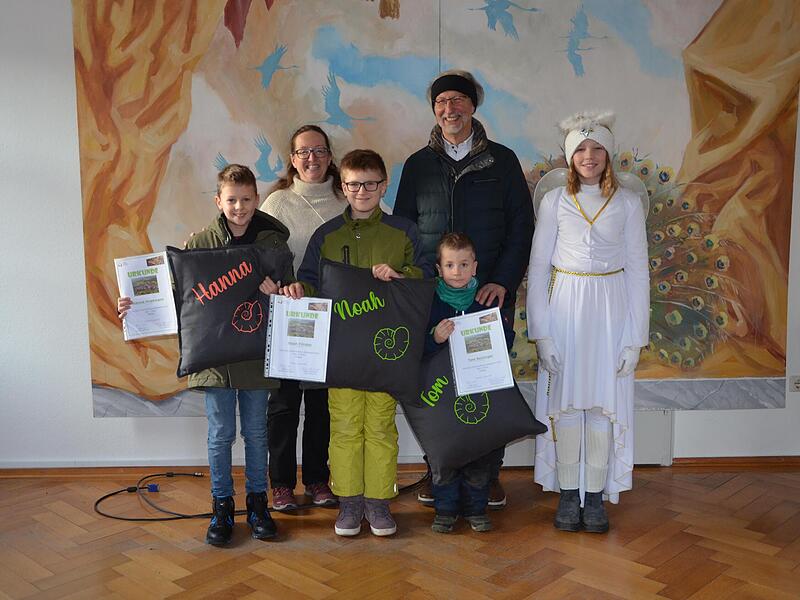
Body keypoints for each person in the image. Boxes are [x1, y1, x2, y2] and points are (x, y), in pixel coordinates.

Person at [118, 165, 293, 546]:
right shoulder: (199, 244)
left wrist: (277, 288)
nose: (240, 207)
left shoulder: (274, 245)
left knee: (257, 433)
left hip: (254, 357)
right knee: (220, 435)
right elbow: (171, 299)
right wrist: (134, 305)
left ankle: (258, 505)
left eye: (247, 199)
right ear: (218, 201)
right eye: (232, 200)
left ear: (257, 199)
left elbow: (292, 292)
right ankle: (222, 507)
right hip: (215, 362)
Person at [394, 69, 534, 508]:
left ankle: (486, 477)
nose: (449, 109)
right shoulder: (418, 165)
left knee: (485, 385)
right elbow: (406, 231)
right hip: (435, 301)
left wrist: (502, 282)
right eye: (441, 103)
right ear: (434, 110)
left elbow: (521, 228)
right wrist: (419, 289)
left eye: (458, 100)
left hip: (485, 298)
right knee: (435, 386)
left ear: (473, 106)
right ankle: (441, 472)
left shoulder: (503, 161)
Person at [281, 149, 423, 537]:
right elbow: (310, 278)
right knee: (343, 426)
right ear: (342, 187)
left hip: (385, 350)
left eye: (371, 183)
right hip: (339, 350)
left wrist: (400, 273)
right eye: (355, 184)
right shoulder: (326, 235)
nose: (363, 191)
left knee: (379, 426)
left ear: (383, 185)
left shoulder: (404, 232)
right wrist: (299, 287)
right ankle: (349, 504)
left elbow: (425, 275)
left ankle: (378, 503)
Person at [526, 111, 650, 533]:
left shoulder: (629, 204)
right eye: (581, 148)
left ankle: (593, 496)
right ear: (569, 156)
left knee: (600, 405)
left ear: (609, 155)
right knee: (566, 407)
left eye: (597, 148)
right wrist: (541, 333)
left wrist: (635, 339)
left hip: (612, 311)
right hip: (565, 310)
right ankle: (567, 494)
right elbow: (539, 266)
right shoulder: (554, 201)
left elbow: (638, 270)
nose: (589, 156)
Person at [260, 125, 346, 511]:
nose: (311, 158)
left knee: (321, 407)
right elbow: (253, 255)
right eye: (302, 152)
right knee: (283, 406)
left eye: (319, 150)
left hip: (333, 321)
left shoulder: (348, 199)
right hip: (287, 318)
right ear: (292, 160)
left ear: (330, 155)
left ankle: (316, 480)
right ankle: (280, 483)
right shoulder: (276, 204)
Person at [424, 232, 514, 534]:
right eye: (450, 265)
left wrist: (497, 331)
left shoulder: (485, 301)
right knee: (446, 456)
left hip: (479, 393)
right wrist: (435, 337)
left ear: (474, 267)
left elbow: (505, 343)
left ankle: (476, 509)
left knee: (479, 453)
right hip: (443, 394)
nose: (457, 272)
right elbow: (418, 346)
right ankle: (446, 511)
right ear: (440, 269)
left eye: (464, 265)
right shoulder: (430, 302)